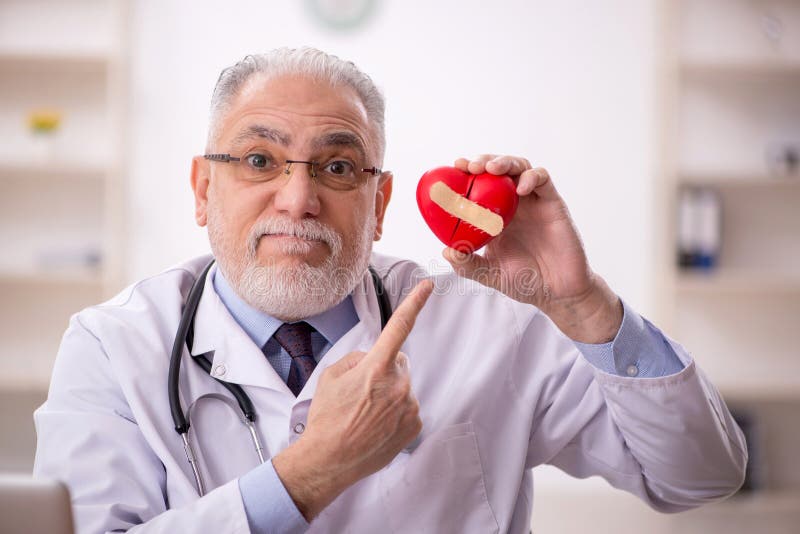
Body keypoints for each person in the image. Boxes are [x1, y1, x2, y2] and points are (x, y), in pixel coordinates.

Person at [34, 47, 746, 533]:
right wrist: (306, 476)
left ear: (380, 205)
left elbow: (701, 476)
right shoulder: (113, 347)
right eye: (259, 160)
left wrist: (581, 302)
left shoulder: (491, 325)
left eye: (339, 168)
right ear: (202, 189)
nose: (298, 198)